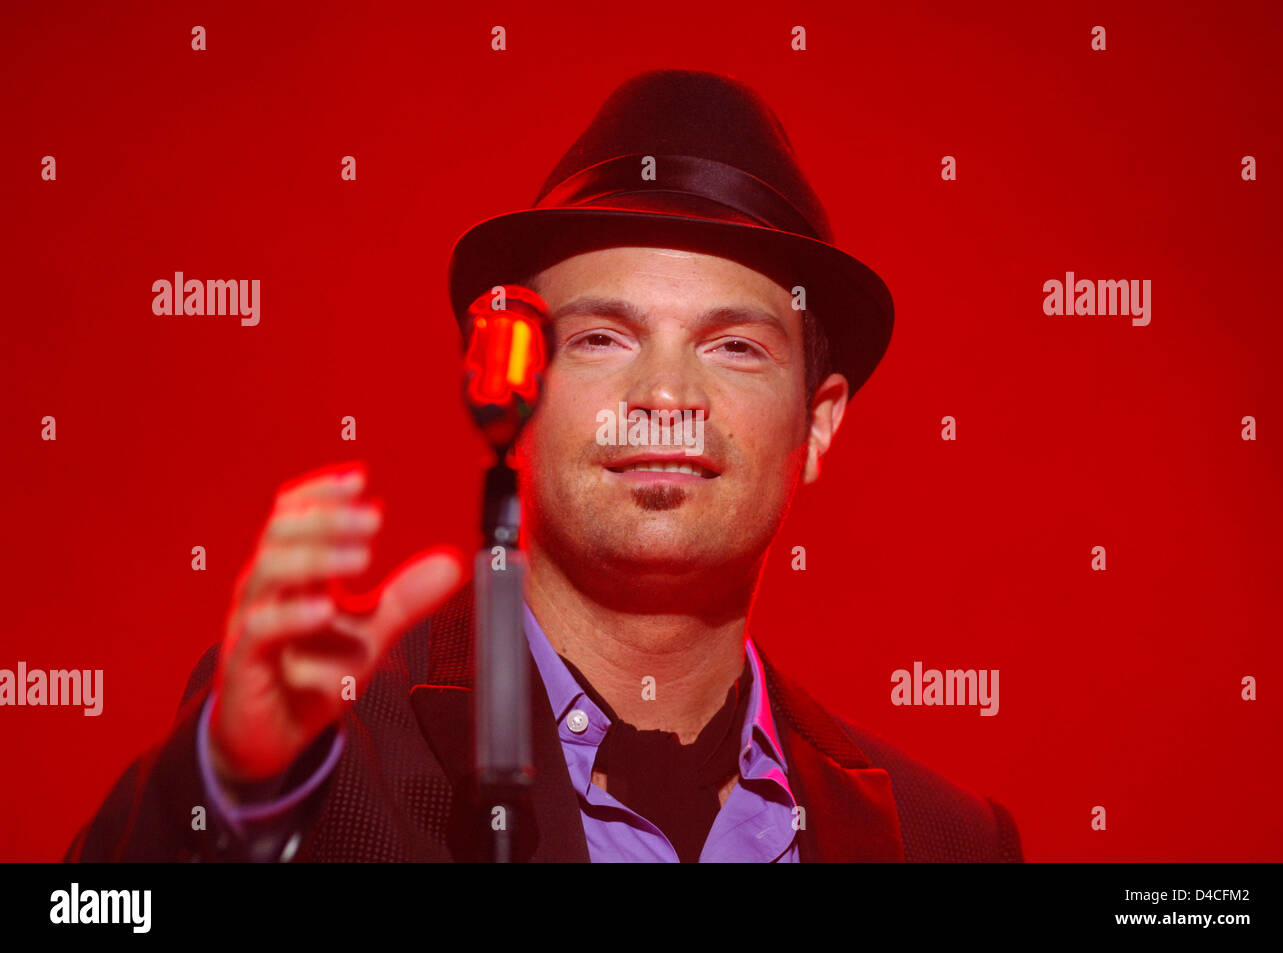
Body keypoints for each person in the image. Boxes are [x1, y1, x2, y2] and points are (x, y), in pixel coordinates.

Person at [66, 69, 1023, 863]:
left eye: (734, 347)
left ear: (817, 425)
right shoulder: (320, 760)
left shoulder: (949, 840)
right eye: (603, 336)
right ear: (513, 393)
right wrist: (217, 802)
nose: (665, 396)